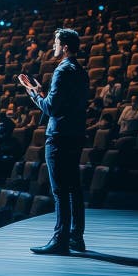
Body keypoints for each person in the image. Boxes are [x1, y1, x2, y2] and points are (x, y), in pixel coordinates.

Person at [20, 28, 89, 255]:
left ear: (65, 46)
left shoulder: (62, 70)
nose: (53, 46)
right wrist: (41, 91)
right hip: (76, 134)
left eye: (56, 43)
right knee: (74, 188)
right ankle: (76, 237)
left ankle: (60, 239)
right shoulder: (80, 70)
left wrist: (32, 92)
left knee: (60, 190)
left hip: (59, 136)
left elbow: (51, 107)